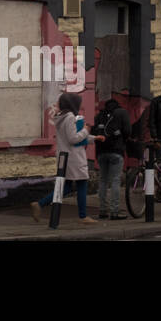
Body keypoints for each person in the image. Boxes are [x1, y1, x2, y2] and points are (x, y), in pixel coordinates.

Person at [31, 91, 104, 224]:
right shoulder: (70, 117)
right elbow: (73, 138)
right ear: (73, 104)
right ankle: (83, 216)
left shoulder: (62, 117)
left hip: (65, 156)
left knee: (66, 187)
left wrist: (93, 138)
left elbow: (73, 137)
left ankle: (40, 204)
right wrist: (86, 130)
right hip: (74, 157)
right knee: (82, 184)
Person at [94, 96, 130, 220]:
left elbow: (94, 131)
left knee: (103, 180)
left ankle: (102, 210)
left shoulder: (99, 115)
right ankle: (114, 211)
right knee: (115, 180)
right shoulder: (122, 113)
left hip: (101, 152)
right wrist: (123, 141)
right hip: (116, 151)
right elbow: (128, 131)